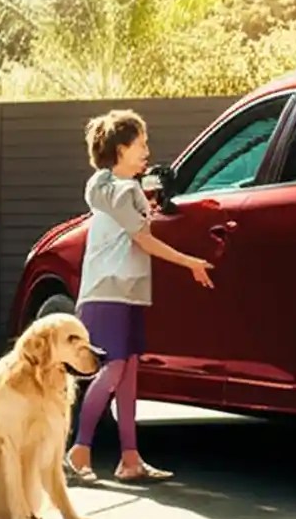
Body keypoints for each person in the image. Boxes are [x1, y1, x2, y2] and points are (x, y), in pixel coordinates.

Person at [64, 109, 213, 484]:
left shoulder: (109, 185)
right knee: (113, 367)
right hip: (108, 290)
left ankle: (130, 459)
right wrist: (190, 262)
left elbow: (123, 193)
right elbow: (143, 238)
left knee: (128, 372)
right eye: (141, 144)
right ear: (120, 149)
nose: (147, 150)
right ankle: (79, 449)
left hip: (126, 290)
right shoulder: (122, 192)